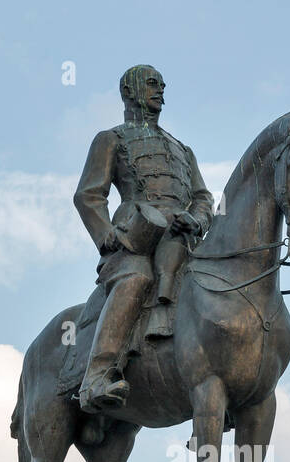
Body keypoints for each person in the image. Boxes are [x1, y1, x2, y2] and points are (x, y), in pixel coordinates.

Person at [59, 64, 214, 412]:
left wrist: (197, 218)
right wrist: (107, 234)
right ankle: (97, 375)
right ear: (129, 92)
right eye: (151, 84)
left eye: (162, 84)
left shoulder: (182, 149)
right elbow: (88, 195)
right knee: (136, 279)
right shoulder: (111, 139)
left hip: (182, 238)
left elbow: (203, 197)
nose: (160, 90)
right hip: (136, 236)